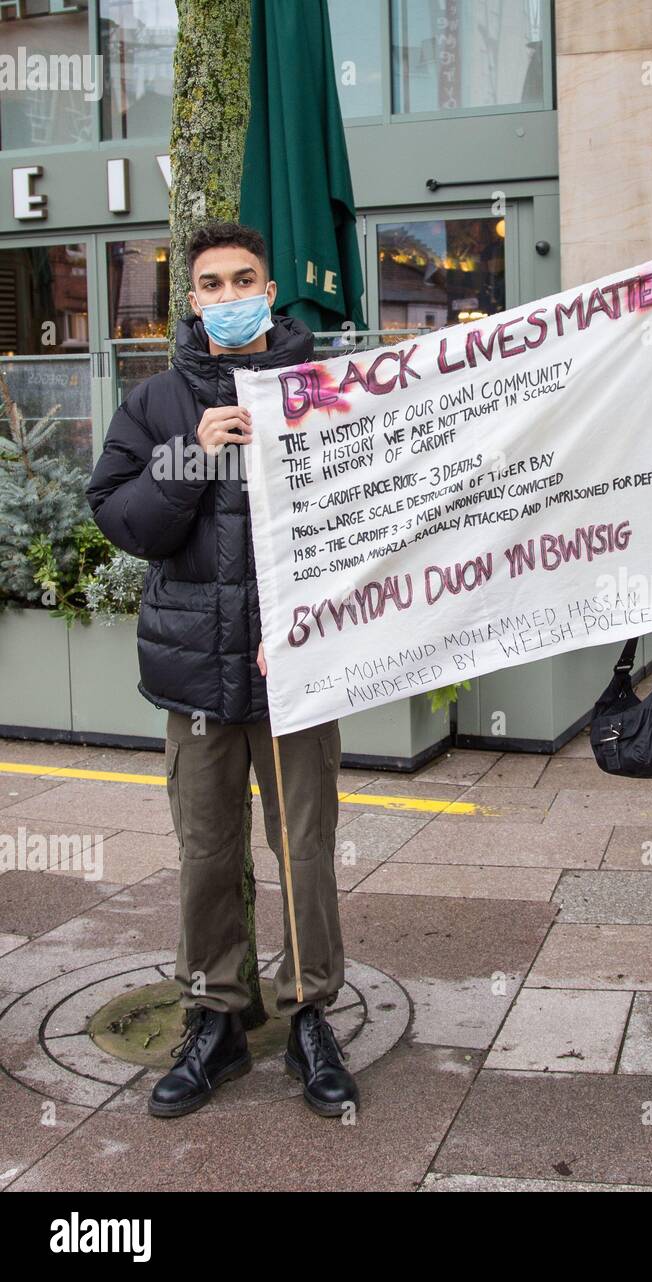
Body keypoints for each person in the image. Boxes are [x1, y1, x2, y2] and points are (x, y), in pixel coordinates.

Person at [86, 222, 358, 1120]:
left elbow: (370, 517)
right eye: (213, 283)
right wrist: (195, 456)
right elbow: (125, 522)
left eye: (246, 278)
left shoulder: (324, 393)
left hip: (297, 676)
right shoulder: (156, 406)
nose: (231, 294)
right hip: (197, 682)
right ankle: (216, 1021)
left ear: (271, 290)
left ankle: (314, 1012)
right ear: (193, 299)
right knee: (206, 855)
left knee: (306, 854)